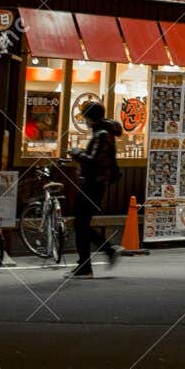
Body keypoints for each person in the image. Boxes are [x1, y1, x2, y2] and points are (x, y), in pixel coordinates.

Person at [67, 101, 122, 277]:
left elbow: (92, 159)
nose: (83, 120)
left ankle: (87, 265)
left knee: (80, 222)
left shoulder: (101, 135)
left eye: (84, 116)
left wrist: (76, 152)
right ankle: (103, 253)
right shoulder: (104, 133)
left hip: (93, 185)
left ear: (89, 117)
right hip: (96, 184)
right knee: (81, 222)